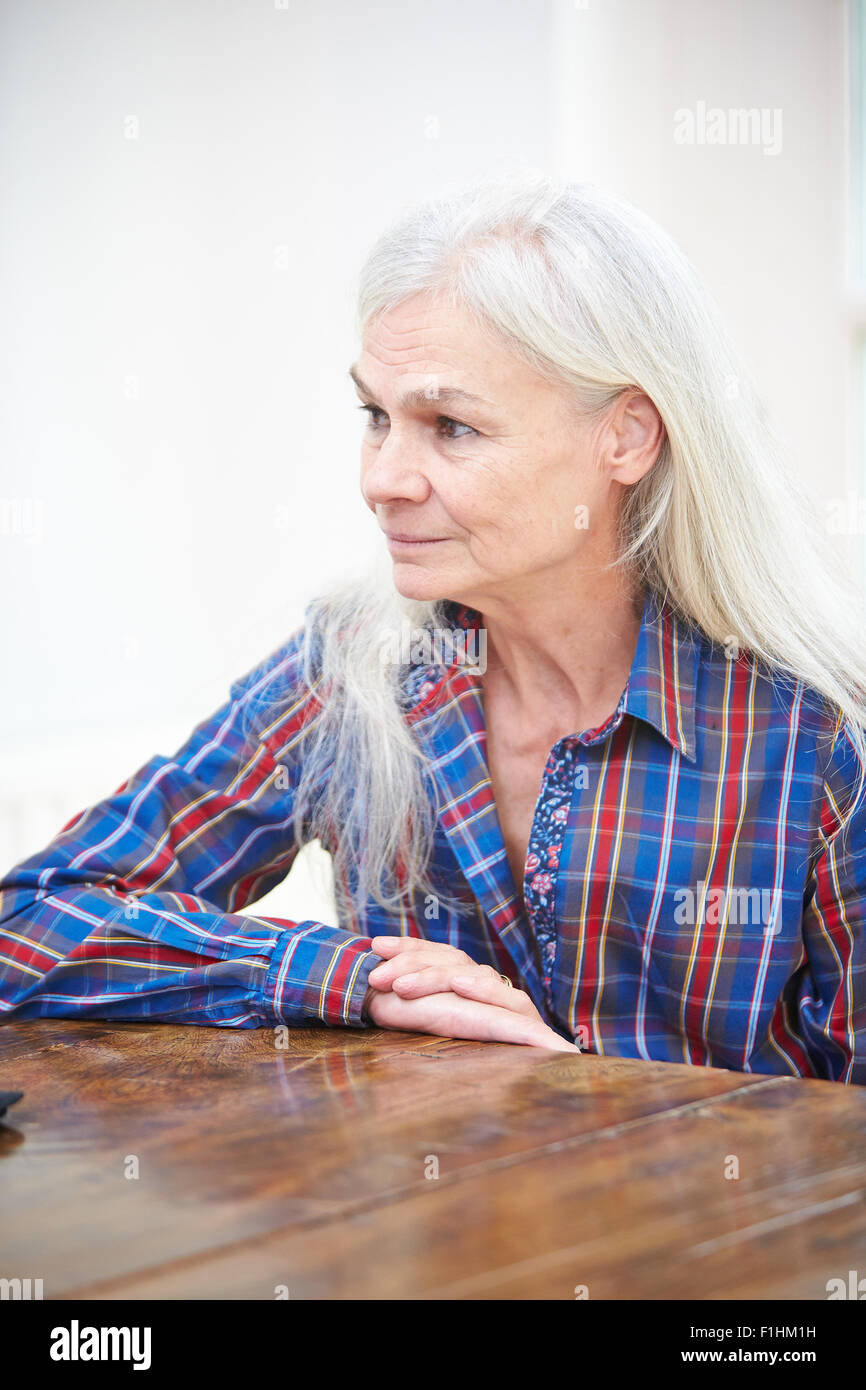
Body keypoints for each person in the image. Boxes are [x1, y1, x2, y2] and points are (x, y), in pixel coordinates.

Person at [3, 171, 866, 1080]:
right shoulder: (347, 670)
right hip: (430, 1215)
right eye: (376, 416)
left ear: (627, 438)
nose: (383, 479)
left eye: (451, 426)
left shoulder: (812, 739)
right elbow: (33, 918)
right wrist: (348, 978)